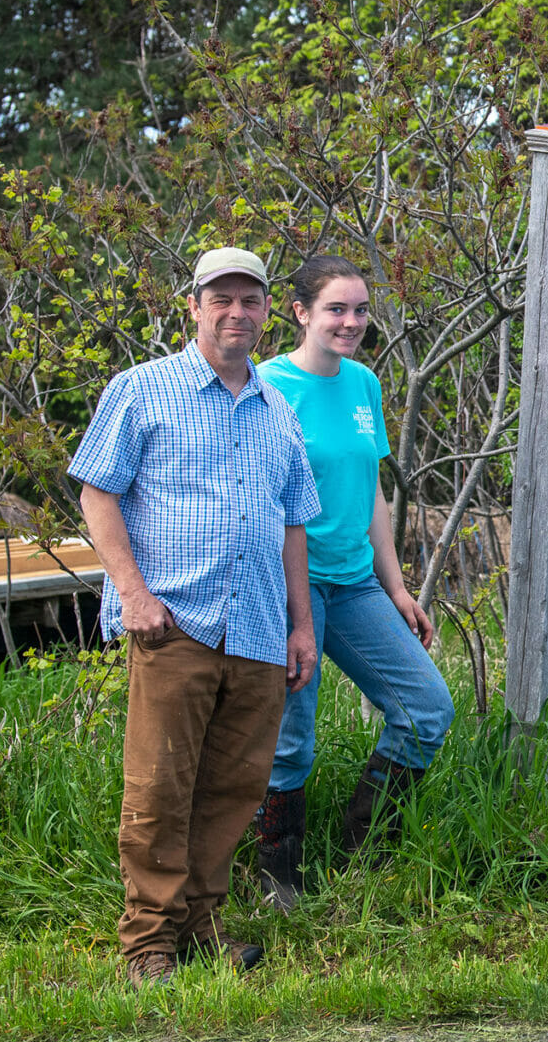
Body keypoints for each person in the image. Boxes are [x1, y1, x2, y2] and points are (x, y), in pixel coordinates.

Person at [70, 246, 319, 988]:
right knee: (158, 787)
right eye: (222, 298)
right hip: (175, 623)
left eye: (250, 300)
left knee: (232, 789)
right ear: (194, 305)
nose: (236, 312)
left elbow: (292, 525)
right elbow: (97, 492)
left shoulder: (279, 409)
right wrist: (135, 594)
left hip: (257, 631)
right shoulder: (143, 389)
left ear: (268, 311)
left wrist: (300, 627)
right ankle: (148, 940)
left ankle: (203, 921)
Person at [249, 255, 454, 910]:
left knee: (426, 709)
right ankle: (278, 881)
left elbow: (371, 496)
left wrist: (396, 588)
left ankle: (367, 854)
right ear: (301, 312)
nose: (351, 322)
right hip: (290, 586)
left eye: (361, 309)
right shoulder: (265, 387)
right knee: (289, 742)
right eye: (336, 308)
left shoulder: (364, 384)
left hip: (357, 583)